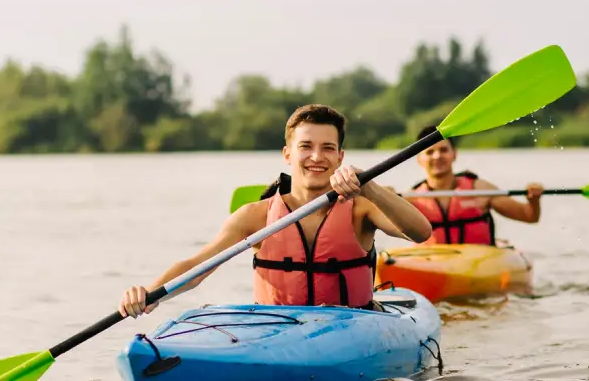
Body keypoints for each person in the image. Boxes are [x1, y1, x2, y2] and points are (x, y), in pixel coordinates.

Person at [117, 104, 432, 318]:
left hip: (354, 326)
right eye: (305, 146)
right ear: (287, 154)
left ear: (340, 157)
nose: (316, 157)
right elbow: (197, 266)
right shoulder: (255, 216)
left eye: (328, 148)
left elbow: (421, 232)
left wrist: (370, 186)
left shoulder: (361, 208)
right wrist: (150, 294)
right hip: (278, 329)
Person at [405, 125, 543, 245]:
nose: (437, 156)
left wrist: (533, 200)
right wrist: (384, 200)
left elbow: (529, 216)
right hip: (430, 263)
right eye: (430, 152)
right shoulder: (410, 198)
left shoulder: (479, 189)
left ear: (454, 154)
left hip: (479, 262)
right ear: (419, 159)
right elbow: (385, 224)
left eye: (443, 150)